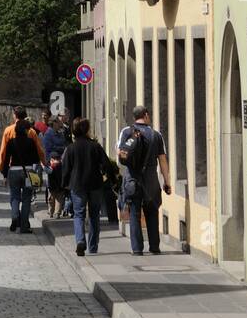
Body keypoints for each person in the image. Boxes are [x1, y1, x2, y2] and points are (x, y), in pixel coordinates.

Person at [117, 105, 171, 256]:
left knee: (134, 212)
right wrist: (167, 182)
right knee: (152, 211)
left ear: (134, 117)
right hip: (151, 180)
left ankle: (137, 248)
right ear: (146, 115)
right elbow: (163, 160)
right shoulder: (156, 135)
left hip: (132, 179)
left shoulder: (126, 132)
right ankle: (154, 246)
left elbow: (120, 155)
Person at [60, 118, 112, 257]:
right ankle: (93, 246)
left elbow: (66, 169)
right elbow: (107, 164)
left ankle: (80, 241)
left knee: (79, 214)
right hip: (95, 184)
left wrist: (64, 183)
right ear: (87, 130)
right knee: (95, 215)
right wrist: (108, 178)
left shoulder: (71, 148)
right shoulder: (95, 146)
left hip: (77, 185)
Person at [0, 109, 45, 234]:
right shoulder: (31, 140)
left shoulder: (11, 141)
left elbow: (5, 157)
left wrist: (4, 174)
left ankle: (15, 215)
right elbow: (37, 158)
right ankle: (24, 225)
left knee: (14, 196)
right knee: (26, 199)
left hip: (13, 171)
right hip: (28, 172)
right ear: (25, 130)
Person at [42, 114, 71, 218]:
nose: (60, 124)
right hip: (52, 163)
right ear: (53, 123)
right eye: (59, 122)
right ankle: (51, 210)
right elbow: (47, 149)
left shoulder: (60, 133)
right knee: (52, 188)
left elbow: (65, 146)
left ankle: (57, 212)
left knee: (60, 188)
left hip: (61, 163)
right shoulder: (48, 134)